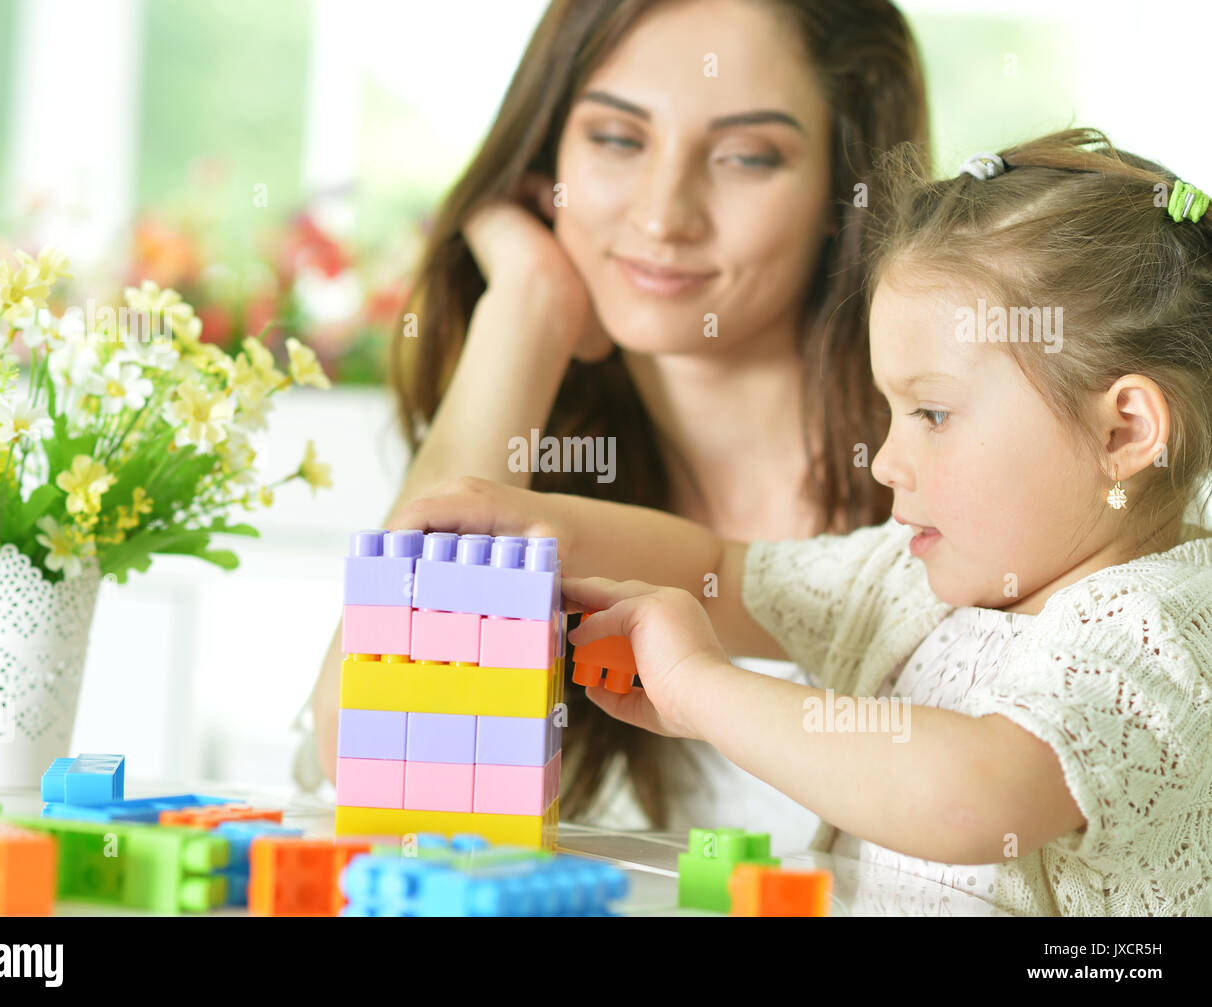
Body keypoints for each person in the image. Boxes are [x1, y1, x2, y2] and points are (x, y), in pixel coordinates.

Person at [396, 128, 1212, 914]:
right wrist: (526, 521)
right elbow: (722, 568)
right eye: (891, 411)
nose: (886, 460)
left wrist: (702, 692)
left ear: (1124, 431)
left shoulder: (1160, 633)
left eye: (930, 412)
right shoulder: (911, 580)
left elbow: (974, 795)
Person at [301, 0, 929, 842]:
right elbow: (365, 744)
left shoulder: (946, 473)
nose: (665, 216)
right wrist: (527, 310)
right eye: (617, 140)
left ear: (838, 191)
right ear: (546, 157)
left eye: (747, 156)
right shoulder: (539, 460)